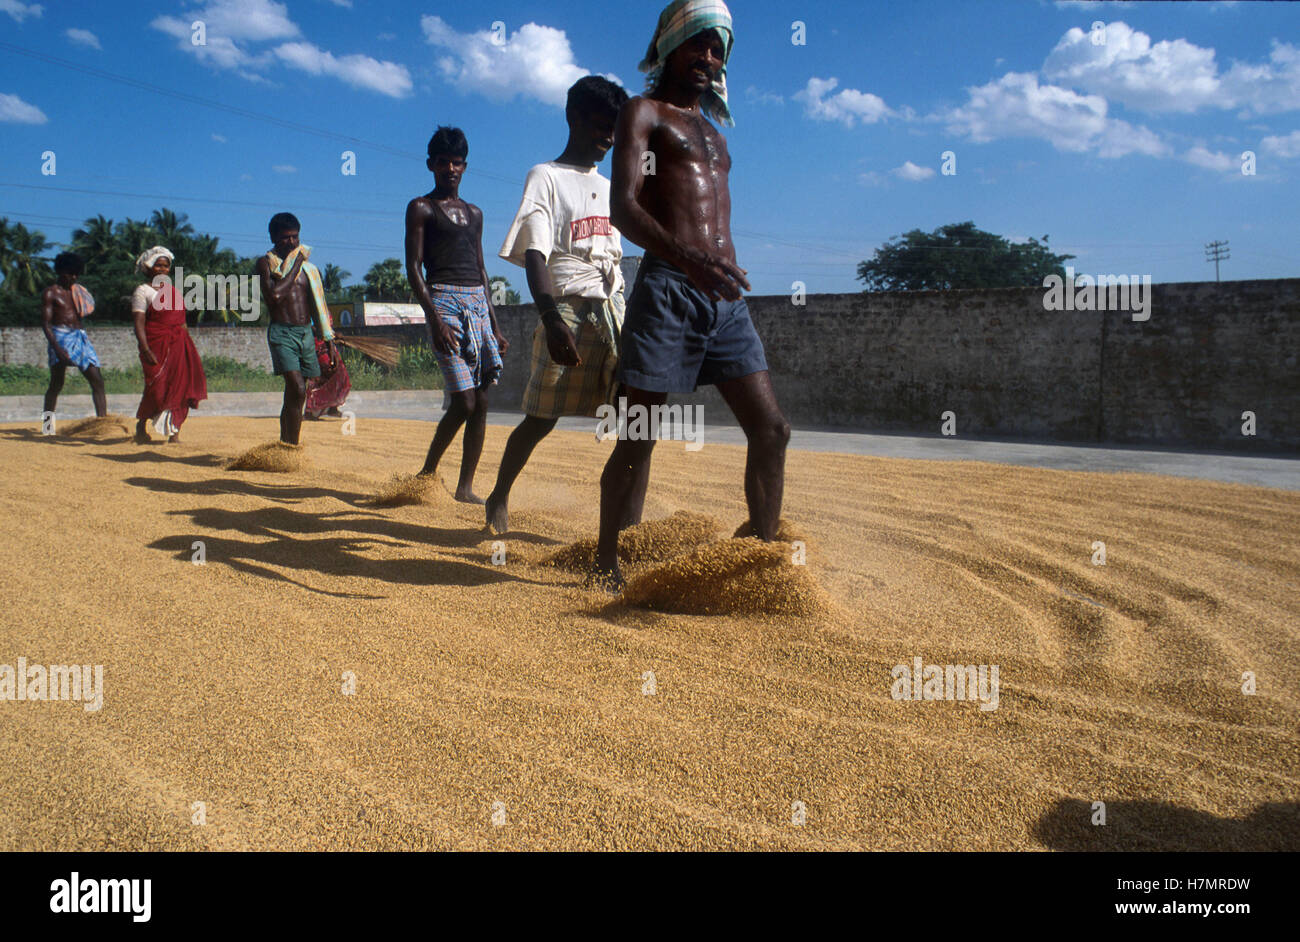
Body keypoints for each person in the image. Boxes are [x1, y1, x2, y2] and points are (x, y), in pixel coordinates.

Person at [592, 0, 790, 590]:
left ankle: (759, 556)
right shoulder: (644, 112)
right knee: (638, 433)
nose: (707, 57)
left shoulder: (713, 132)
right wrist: (689, 258)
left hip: (724, 295)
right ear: (671, 45)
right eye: (698, 44)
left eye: (717, 49)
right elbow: (623, 208)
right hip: (670, 288)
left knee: (772, 429)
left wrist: (714, 264)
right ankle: (608, 563)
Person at [486, 76, 631, 534]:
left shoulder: (612, 186)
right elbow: (535, 254)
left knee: (632, 413)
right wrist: (550, 318)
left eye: (614, 128)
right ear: (573, 118)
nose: (608, 137)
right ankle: (499, 494)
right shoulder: (544, 175)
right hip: (565, 304)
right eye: (599, 125)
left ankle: (621, 528)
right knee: (541, 416)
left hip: (611, 305)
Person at [405, 126, 510, 502]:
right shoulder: (421, 207)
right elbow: (413, 266)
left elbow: (482, 270)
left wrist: (494, 326)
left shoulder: (475, 213)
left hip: (478, 307)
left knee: (481, 401)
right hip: (444, 304)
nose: (451, 168)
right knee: (463, 401)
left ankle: (465, 487)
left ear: (465, 166)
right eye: (444, 161)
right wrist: (434, 320)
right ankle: (426, 473)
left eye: (457, 162)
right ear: (431, 164)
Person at [255, 213, 339, 446]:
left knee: (294, 394)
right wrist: (296, 264)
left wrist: (329, 341)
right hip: (282, 333)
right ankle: (291, 445)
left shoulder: (310, 270)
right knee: (297, 387)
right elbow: (274, 296)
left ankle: (287, 444)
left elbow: (318, 307)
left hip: (305, 334)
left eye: (295, 237)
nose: (292, 243)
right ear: (272, 237)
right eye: (285, 238)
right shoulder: (266, 263)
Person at [131, 246, 208, 443]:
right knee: (157, 387)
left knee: (180, 387)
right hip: (156, 345)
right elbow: (138, 322)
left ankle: (175, 434)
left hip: (179, 345)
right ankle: (141, 425)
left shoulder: (173, 291)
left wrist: (187, 347)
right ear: (149, 268)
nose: (163, 270)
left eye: (166, 266)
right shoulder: (143, 291)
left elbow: (182, 322)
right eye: (158, 266)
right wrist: (145, 348)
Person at [42, 252, 106, 421]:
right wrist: (58, 350)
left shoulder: (78, 292)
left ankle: (103, 423)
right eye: (70, 273)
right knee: (56, 384)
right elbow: (46, 324)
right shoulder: (51, 293)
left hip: (80, 336)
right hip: (60, 337)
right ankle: (48, 425)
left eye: (76, 273)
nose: (73, 277)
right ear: (60, 271)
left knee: (97, 379)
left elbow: (85, 310)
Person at [304, 330, 352, 420]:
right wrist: (331, 334)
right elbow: (315, 327)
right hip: (319, 345)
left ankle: (332, 407)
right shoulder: (316, 316)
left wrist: (331, 334)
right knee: (319, 377)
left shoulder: (326, 315)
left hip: (325, 344)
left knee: (339, 375)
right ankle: (309, 411)